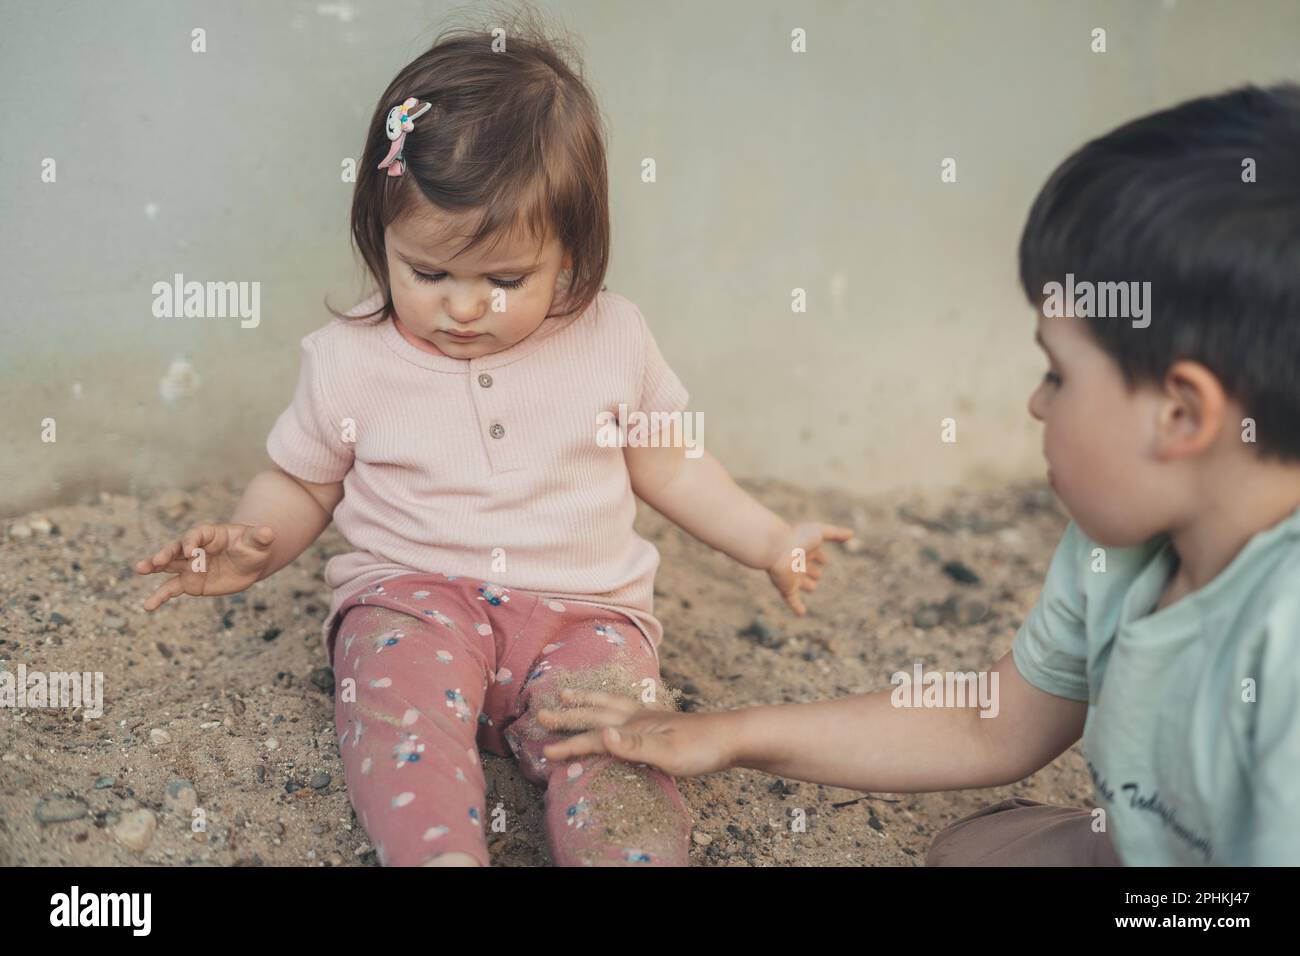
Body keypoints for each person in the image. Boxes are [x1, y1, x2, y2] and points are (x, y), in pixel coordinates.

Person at [134, 14, 850, 867]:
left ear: (571, 258)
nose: (463, 307)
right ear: (379, 237)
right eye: (426, 273)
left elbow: (667, 458)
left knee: (619, 748)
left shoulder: (613, 337)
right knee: (401, 723)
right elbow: (302, 481)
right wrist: (255, 543)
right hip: (414, 599)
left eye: (506, 281)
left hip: (587, 616)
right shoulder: (348, 360)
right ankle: (438, 852)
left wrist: (770, 537)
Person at [539, 82, 1300, 866]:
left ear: (1181, 414)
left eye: (1059, 375)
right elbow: (991, 723)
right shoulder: (1120, 546)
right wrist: (727, 735)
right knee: (965, 852)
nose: (1038, 405)